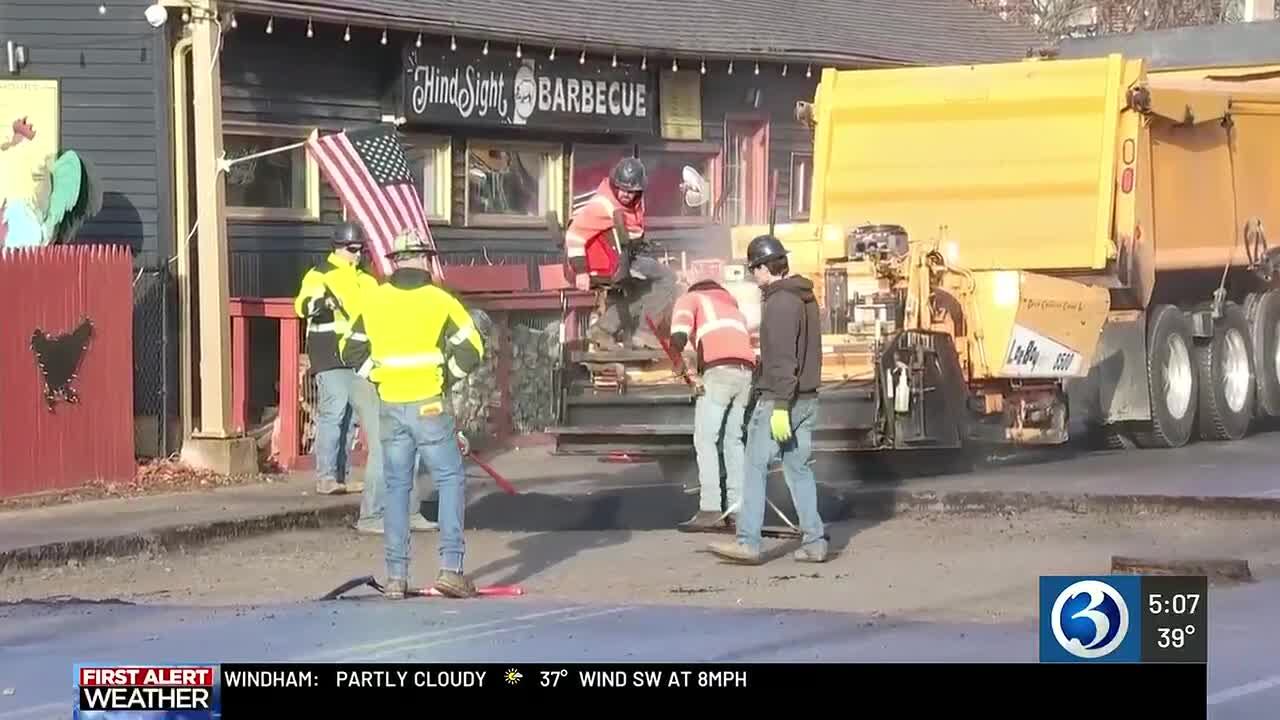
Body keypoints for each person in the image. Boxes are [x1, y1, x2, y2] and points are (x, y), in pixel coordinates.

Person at [340, 229, 485, 599]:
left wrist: (377, 375)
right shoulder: (442, 302)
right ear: (423, 259)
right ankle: (451, 569)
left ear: (395, 261)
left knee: (397, 487)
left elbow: (350, 349)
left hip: (390, 403)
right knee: (450, 479)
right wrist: (444, 377)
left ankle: (395, 577)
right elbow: (471, 351)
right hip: (429, 403)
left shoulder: (374, 301)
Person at [708, 234, 828, 565]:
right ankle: (815, 542)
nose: (754, 278)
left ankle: (748, 542)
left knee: (754, 467)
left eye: (754, 271)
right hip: (806, 400)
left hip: (781, 400)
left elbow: (783, 361)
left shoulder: (779, 303)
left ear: (763, 268)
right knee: (798, 470)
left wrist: (778, 407)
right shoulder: (805, 298)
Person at [668, 278, 756, 532]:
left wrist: (676, 355)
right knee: (733, 441)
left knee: (706, 440)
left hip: (719, 374)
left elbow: (679, 335)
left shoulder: (692, 299)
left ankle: (710, 509)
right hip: (745, 374)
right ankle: (738, 509)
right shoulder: (733, 309)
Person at [563, 157, 677, 350]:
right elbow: (574, 235)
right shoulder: (602, 205)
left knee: (641, 291)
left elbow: (632, 231)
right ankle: (644, 333)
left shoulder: (636, 203)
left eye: (631, 191)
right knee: (667, 278)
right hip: (614, 263)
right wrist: (581, 270)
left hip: (625, 257)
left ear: (639, 190)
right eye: (622, 188)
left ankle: (605, 330)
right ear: (614, 184)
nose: (625, 194)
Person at [292, 222, 370, 497]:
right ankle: (326, 477)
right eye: (353, 249)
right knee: (333, 414)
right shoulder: (320, 274)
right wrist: (323, 303)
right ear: (338, 248)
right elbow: (301, 306)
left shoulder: (365, 279)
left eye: (361, 249)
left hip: (358, 355)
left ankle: (342, 476)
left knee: (350, 419)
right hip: (329, 353)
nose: (358, 254)